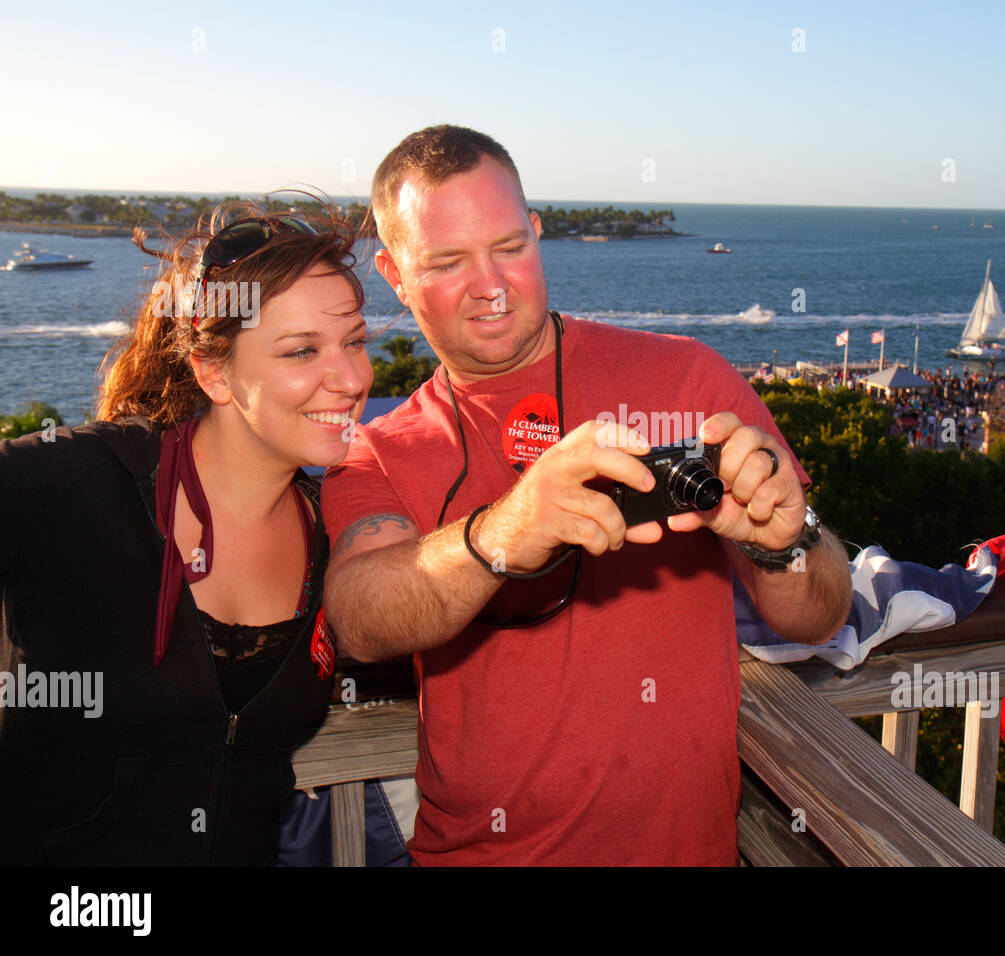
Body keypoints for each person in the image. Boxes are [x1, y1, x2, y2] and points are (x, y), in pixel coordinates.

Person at [322, 125, 853, 866]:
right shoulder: (376, 450)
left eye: (510, 247)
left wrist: (785, 544)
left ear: (538, 234)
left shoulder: (686, 381)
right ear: (394, 274)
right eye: (447, 262)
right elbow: (358, 619)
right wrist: (506, 531)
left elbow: (818, 614)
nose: (490, 285)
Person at [0, 202, 372, 864]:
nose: (350, 379)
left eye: (355, 341)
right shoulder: (79, 481)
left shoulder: (332, 530)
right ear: (214, 373)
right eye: (302, 350)